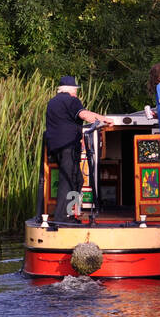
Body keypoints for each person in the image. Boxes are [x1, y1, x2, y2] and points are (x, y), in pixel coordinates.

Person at [45, 76, 114, 223]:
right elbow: (84, 115)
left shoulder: (52, 103)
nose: (77, 94)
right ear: (71, 90)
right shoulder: (71, 100)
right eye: (76, 91)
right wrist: (104, 119)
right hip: (68, 146)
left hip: (54, 147)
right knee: (68, 179)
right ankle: (62, 217)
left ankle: (72, 213)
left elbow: (63, 123)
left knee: (77, 179)